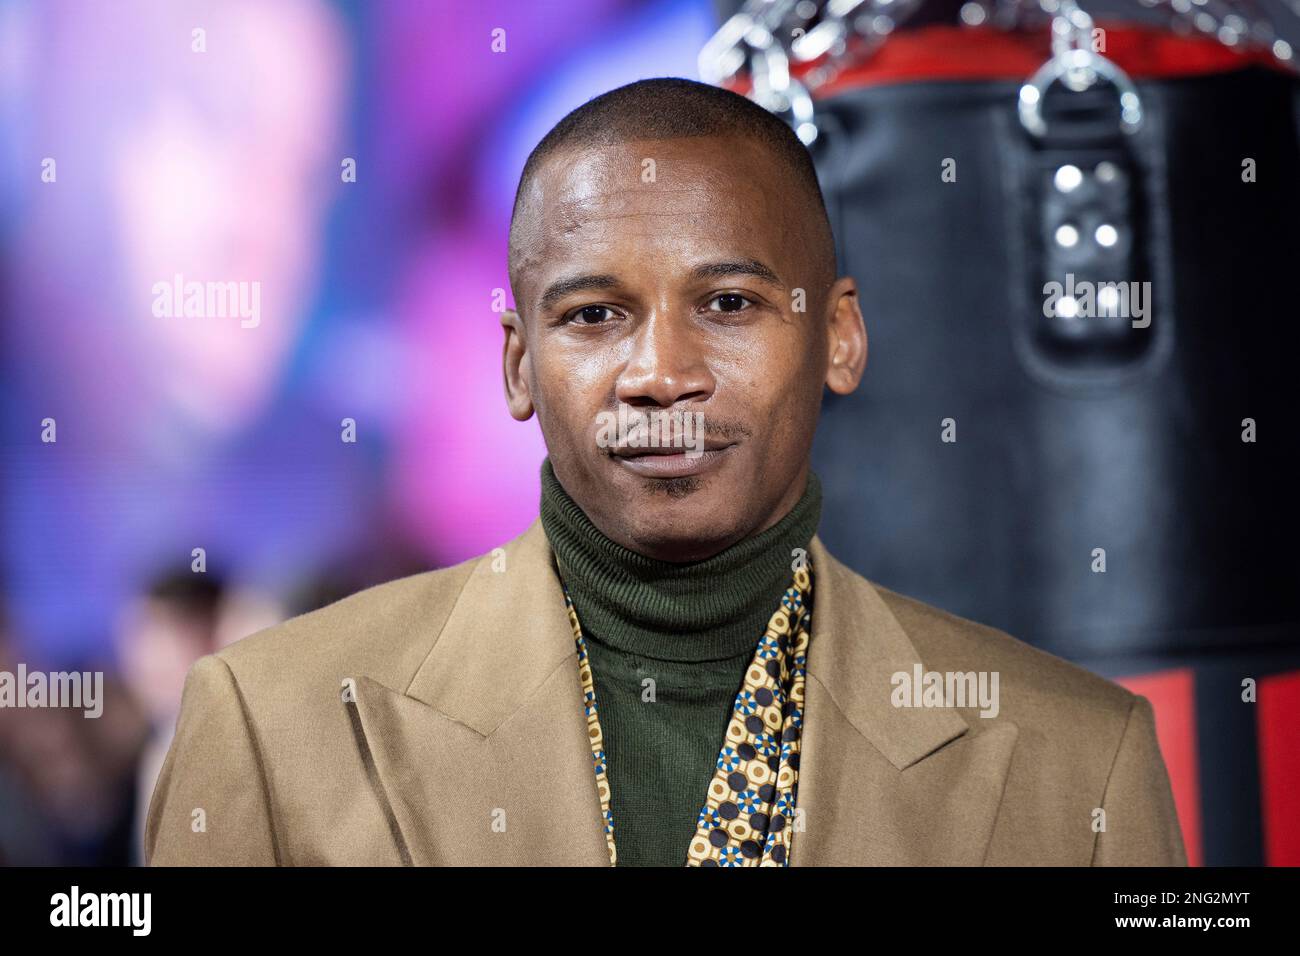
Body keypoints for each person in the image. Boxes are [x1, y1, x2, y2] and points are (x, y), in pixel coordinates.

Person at [146, 77, 1186, 867]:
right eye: (594, 315)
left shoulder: (1072, 761)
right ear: (518, 362)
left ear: (837, 335)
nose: (660, 373)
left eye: (728, 303)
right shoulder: (271, 725)